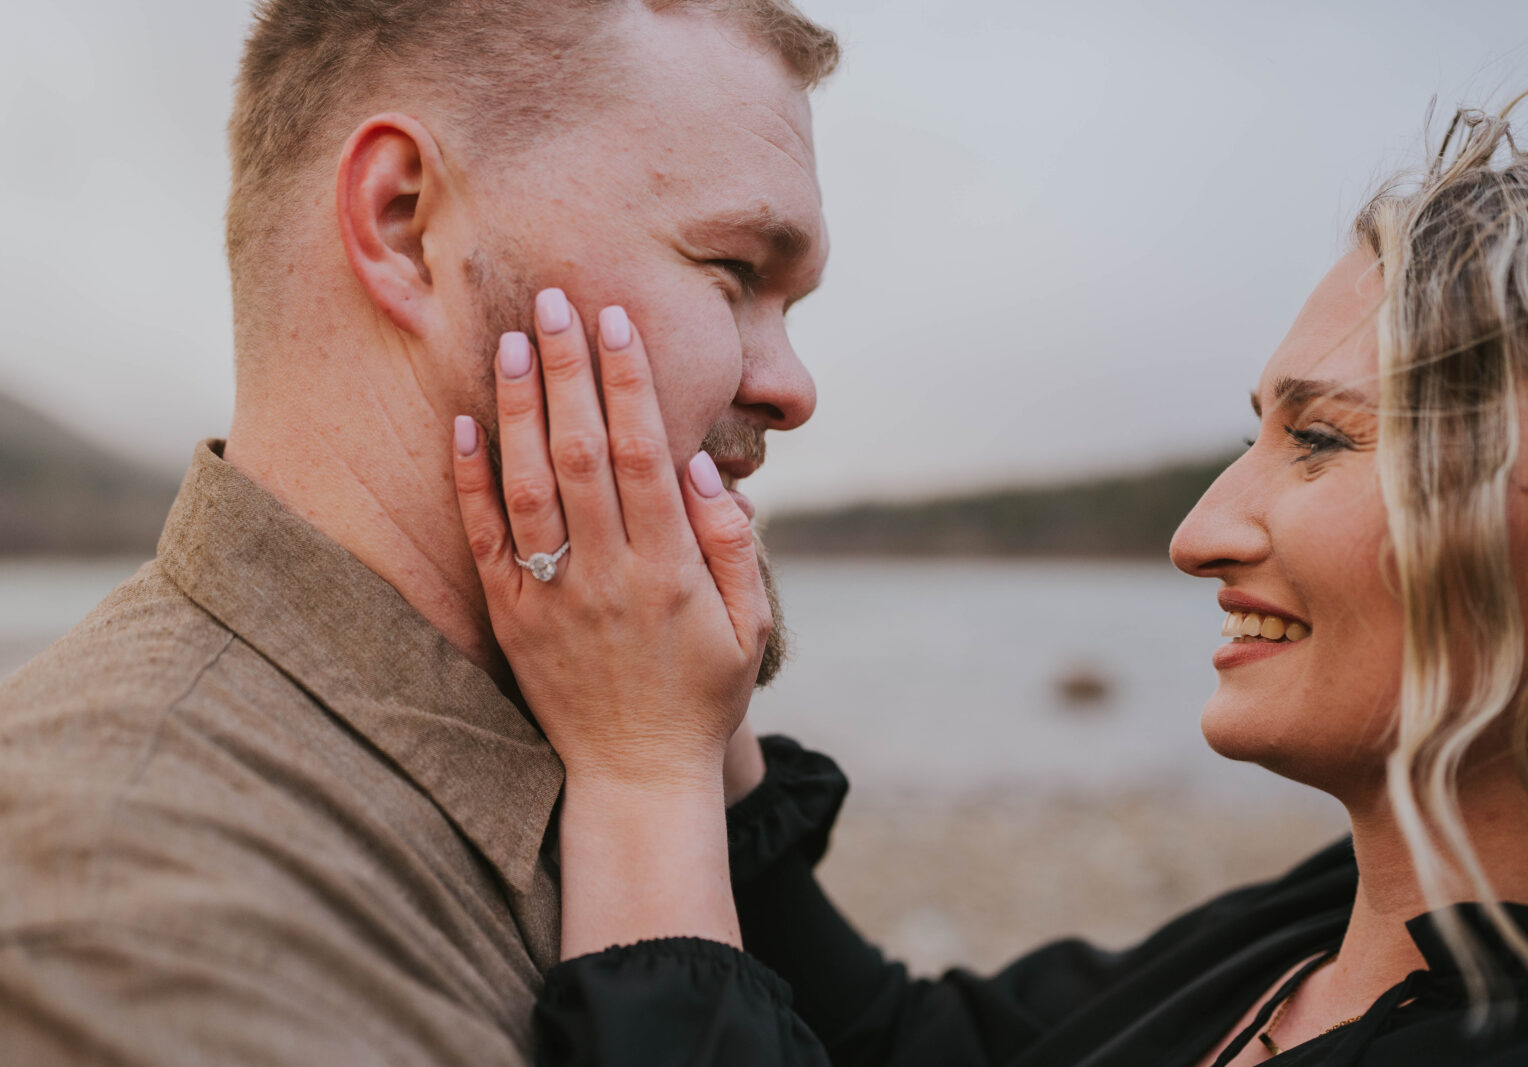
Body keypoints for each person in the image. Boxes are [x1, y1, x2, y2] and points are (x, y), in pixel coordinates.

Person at [450, 101, 1528, 1065]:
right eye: (1258, 431)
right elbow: (912, 1044)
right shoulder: (1313, 923)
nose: (1196, 534)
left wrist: (640, 776)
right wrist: (695, 712)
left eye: (1322, 438)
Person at [0, 2, 837, 1063]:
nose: (793, 388)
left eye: (791, 305)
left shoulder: (594, 747)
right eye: (731, 272)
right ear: (407, 223)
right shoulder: (114, 919)